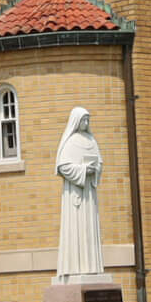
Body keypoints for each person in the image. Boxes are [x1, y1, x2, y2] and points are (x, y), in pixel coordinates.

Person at [54, 106, 104, 278]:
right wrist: (83, 170)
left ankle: (92, 266)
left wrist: (95, 169)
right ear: (76, 121)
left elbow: (100, 162)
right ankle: (76, 266)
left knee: (90, 228)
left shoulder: (92, 140)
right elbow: (63, 166)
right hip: (76, 194)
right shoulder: (70, 141)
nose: (86, 123)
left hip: (89, 193)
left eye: (88, 119)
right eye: (84, 120)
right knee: (76, 229)